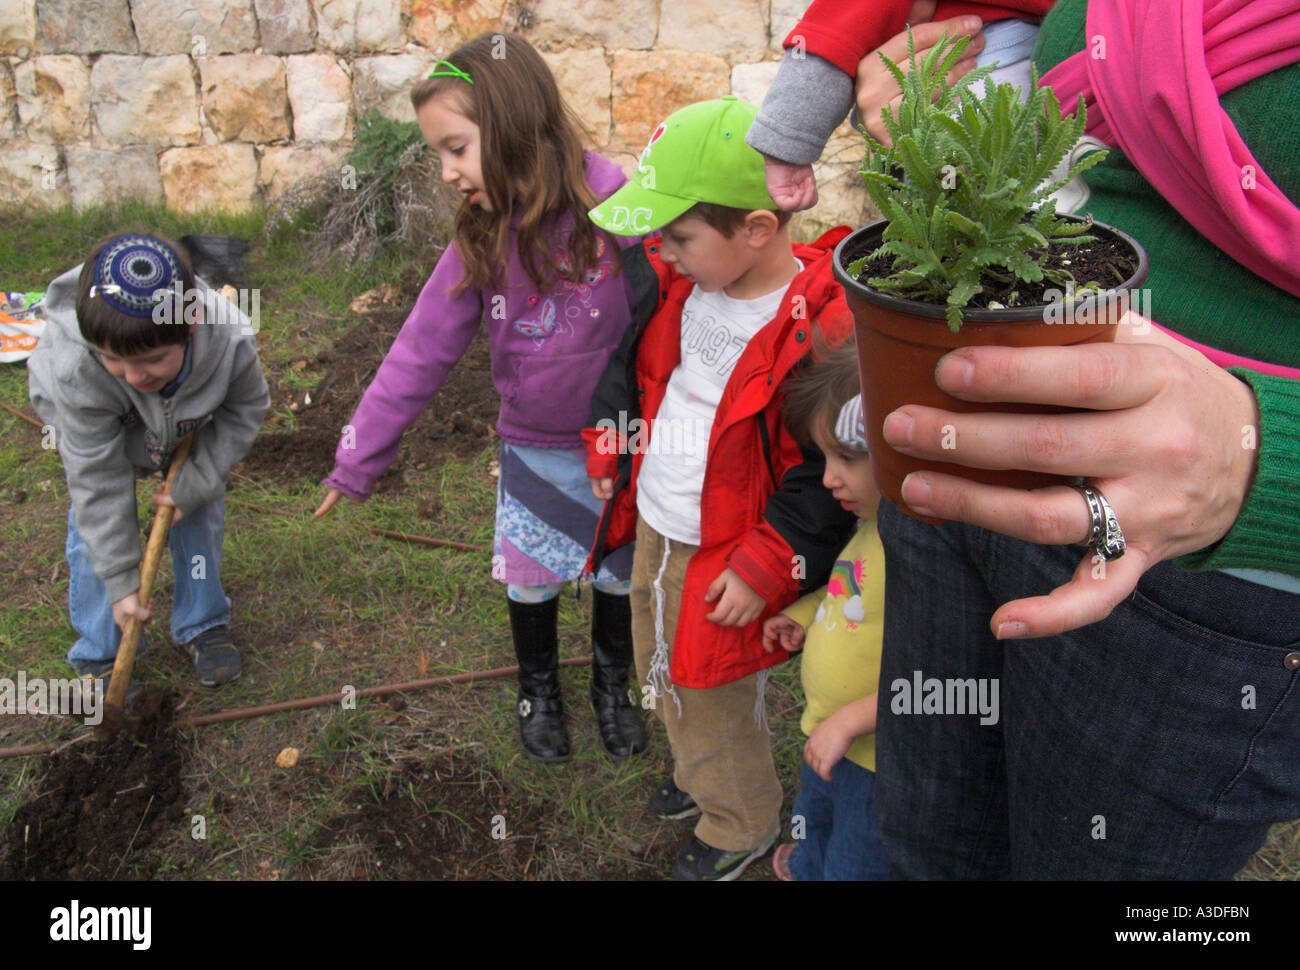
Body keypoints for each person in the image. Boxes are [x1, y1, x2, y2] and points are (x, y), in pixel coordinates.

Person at [851, 0, 1300, 878]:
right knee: (925, 849)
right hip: (964, 472)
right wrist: (933, 158)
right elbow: (1072, 181)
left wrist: (1263, 459)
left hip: (1201, 572)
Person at [315, 33, 646, 765]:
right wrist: (357, 454)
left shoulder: (621, 211)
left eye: (456, 148)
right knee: (531, 582)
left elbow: (677, 308)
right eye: (439, 152)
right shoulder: (480, 240)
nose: (446, 171)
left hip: (620, 451)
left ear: (514, 124)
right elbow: (419, 348)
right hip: (531, 448)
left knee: (619, 575)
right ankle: (539, 691)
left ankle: (614, 687)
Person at [584, 97, 856, 880]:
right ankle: (698, 775)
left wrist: (768, 563)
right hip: (664, 526)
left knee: (711, 686)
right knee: (658, 658)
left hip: (734, 546)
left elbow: (822, 476)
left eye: (679, 237)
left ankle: (739, 822)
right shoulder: (684, 288)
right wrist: (612, 437)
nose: (662, 254)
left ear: (758, 230)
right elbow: (630, 369)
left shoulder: (820, 333)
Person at [28, 233, 269, 693]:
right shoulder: (77, 367)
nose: (135, 376)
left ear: (191, 322)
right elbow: (98, 480)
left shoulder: (230, 339)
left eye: (153, 359)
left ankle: (203, 622)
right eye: (115, 359)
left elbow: (245, 411)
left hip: (187, 417)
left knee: (198, 507)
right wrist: (123, 581)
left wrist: (195, 483)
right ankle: (101, 652)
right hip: (100, 424)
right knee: (94, 528)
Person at [763, 344, 890, 881]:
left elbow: (941, 677)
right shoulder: (870, 526)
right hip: (827, 733)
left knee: (858, 856)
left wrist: (851, 721)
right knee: (812, 817)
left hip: (875, 760)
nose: (829, 479)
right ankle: (811, 861)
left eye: (848, 460)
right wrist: (809, 611)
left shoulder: (919, 556)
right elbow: (848, 584)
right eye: (824, 460)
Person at [747, 0, 1056, 210]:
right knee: (954, 211)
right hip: (970, 65)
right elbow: (839, 27)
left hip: (1061, 64)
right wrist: (788, 141)